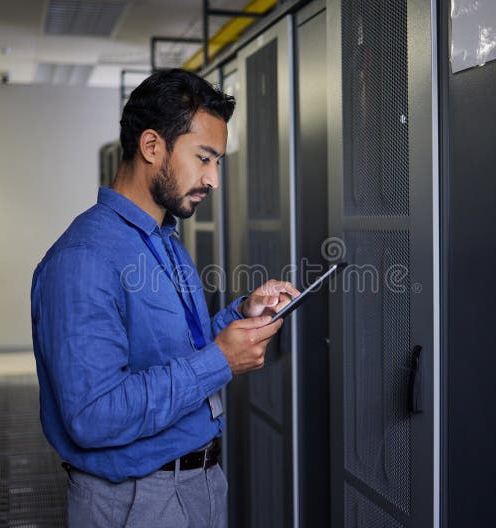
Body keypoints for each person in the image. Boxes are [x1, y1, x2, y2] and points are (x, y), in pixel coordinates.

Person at [30, 68, 300, 527]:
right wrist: (221, 360)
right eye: (204, 158)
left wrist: (239, 317)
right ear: (152, 146)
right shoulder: (85, 259)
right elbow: (94, 415)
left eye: (217, 162)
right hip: (136, 502)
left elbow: (171, 354)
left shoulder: (162, 239)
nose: (213, 179)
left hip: (196, 485)